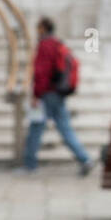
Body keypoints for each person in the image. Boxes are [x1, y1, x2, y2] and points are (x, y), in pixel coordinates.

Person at [22, 17, 93, 175]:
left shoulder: (45, 45)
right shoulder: (57, 43)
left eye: (38, 28)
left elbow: (41, 72)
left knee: (36, 129)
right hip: (57, 93)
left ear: (43, 28)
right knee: (65, 128)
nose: (36, 31)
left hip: (47, 93)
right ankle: (85, 159)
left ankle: (30, 164)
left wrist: (36, 94)